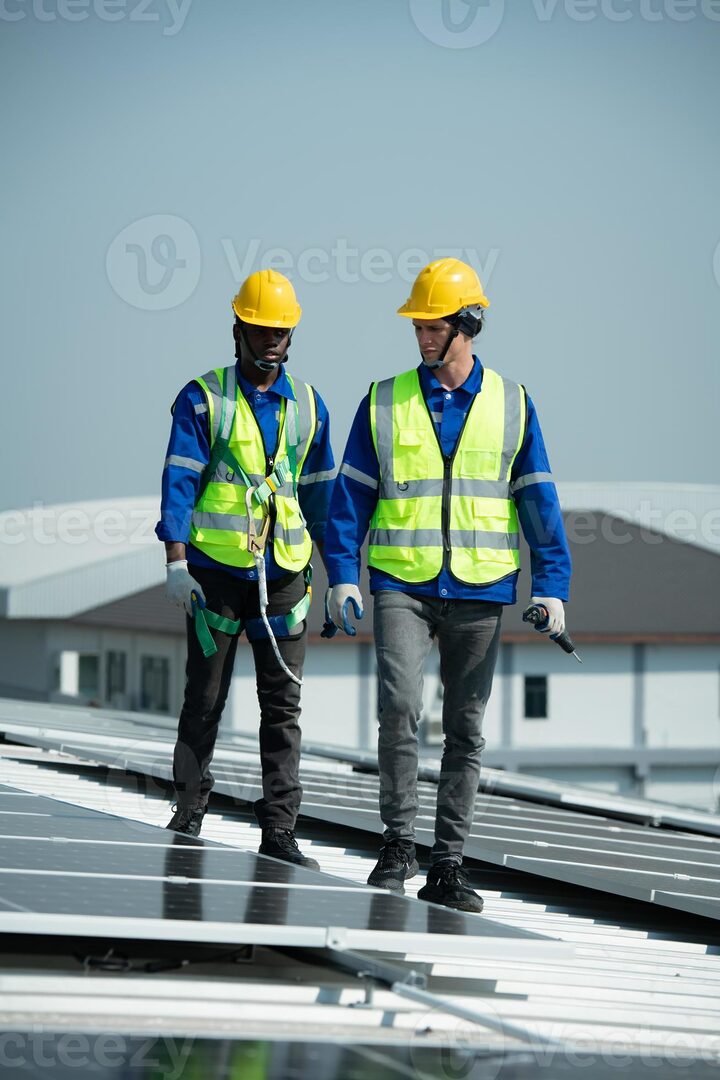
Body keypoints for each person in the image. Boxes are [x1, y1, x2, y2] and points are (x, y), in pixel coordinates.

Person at [323, 258, 571, 911]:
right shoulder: (384, 400)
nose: (421, 336)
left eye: (432, 325)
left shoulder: (512, 405)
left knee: (465, 729)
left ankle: (449, 864)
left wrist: (552, 586)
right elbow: (349, 497)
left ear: (468, 325)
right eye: (418, 326)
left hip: (481, 589)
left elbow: (538, 499)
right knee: (399, 709)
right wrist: (343, 577)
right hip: (401, 581)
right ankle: (397, 843)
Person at [156, 269, 335, 868]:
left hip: (284, 577)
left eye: (280, 331)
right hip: (214, 578)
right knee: (204, 699)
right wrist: (176, 560)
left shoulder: (309, 407)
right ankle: (187, 813)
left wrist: (341, 579)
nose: (271, 341)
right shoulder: (203, 398)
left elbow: (323, 500)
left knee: (282, 706)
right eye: (260, 330)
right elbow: (179, 482)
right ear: (238, 330)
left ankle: (279, 831)